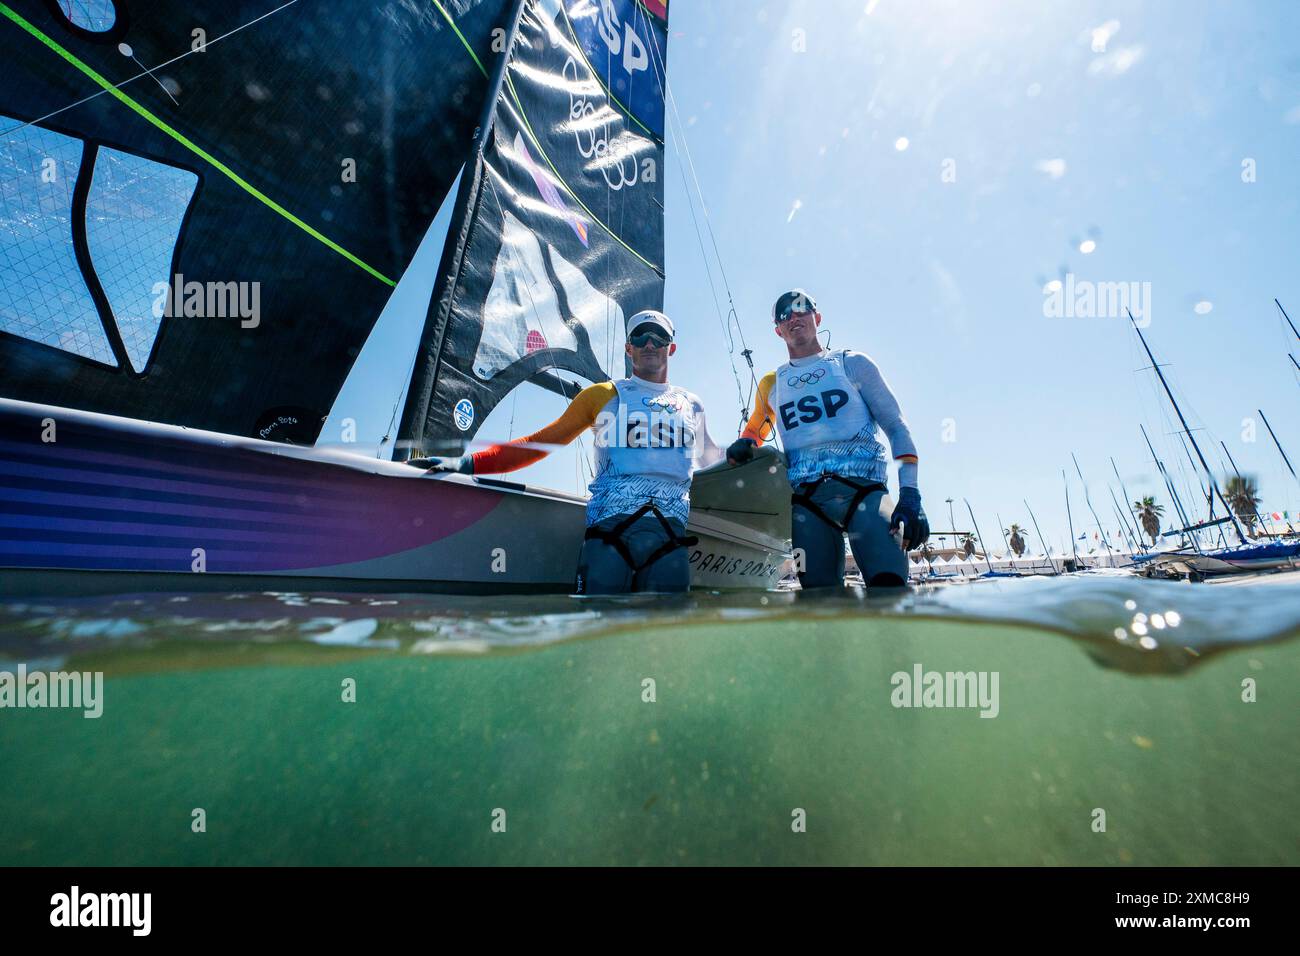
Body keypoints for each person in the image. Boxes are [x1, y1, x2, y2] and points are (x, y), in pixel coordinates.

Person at [416, 310, 723, 594]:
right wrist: (468, 463)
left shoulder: (691, 405)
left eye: (659, 337)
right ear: (628, 348)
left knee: (666, 637)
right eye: (640, 337)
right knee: (596, 633)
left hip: (669, 540)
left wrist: (751, 453)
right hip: (610, 535)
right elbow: (540, 442)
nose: (650, 344)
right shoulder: (602, 395)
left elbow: (713, 460)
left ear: (672, 347)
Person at [727, 289, 928, 588]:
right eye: (784, 314)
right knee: (817, 597)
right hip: (808, 507)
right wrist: (744, 444)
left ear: (817, 317)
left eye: (801, 308)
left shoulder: (853, 363)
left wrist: (911, 495)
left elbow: (896, 427)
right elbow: (754, 432)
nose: (793, 316)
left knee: (890, 589)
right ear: (778, 330)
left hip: (867, 495)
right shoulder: (772, 383)